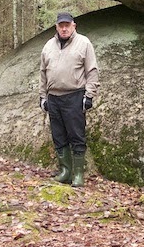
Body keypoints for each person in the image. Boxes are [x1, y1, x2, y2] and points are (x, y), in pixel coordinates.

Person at [39, 12, 99, 187]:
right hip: (54, 97)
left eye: (67, 25)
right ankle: (65, 172)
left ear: (74, 25)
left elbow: (92, 70)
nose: (64, 28)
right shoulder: (48, 46)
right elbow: (43, 73)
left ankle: (78, 175)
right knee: (58, 136)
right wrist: (42, 97)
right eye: (60, 25)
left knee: (76, 135)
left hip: (74, 95)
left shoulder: (84, 43)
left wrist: (89, 95)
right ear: (56, 27)